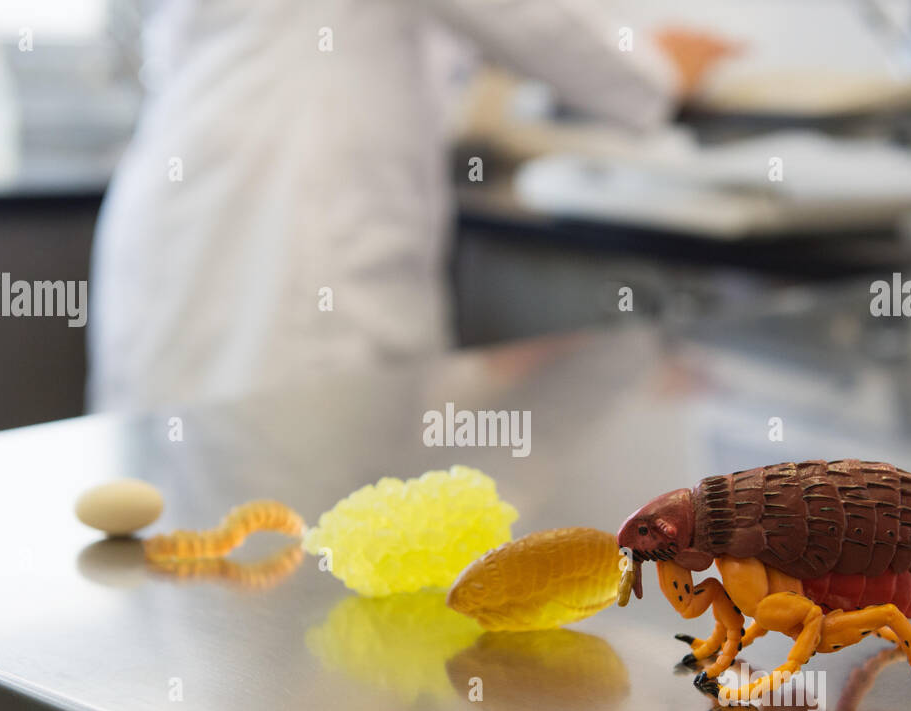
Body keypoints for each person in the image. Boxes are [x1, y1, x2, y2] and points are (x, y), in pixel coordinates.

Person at [87, 0, 733, 412]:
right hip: (290, 216)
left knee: (191, 516)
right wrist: (654, 70)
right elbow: (535, 20)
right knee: (306, 505)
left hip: (191, 192)